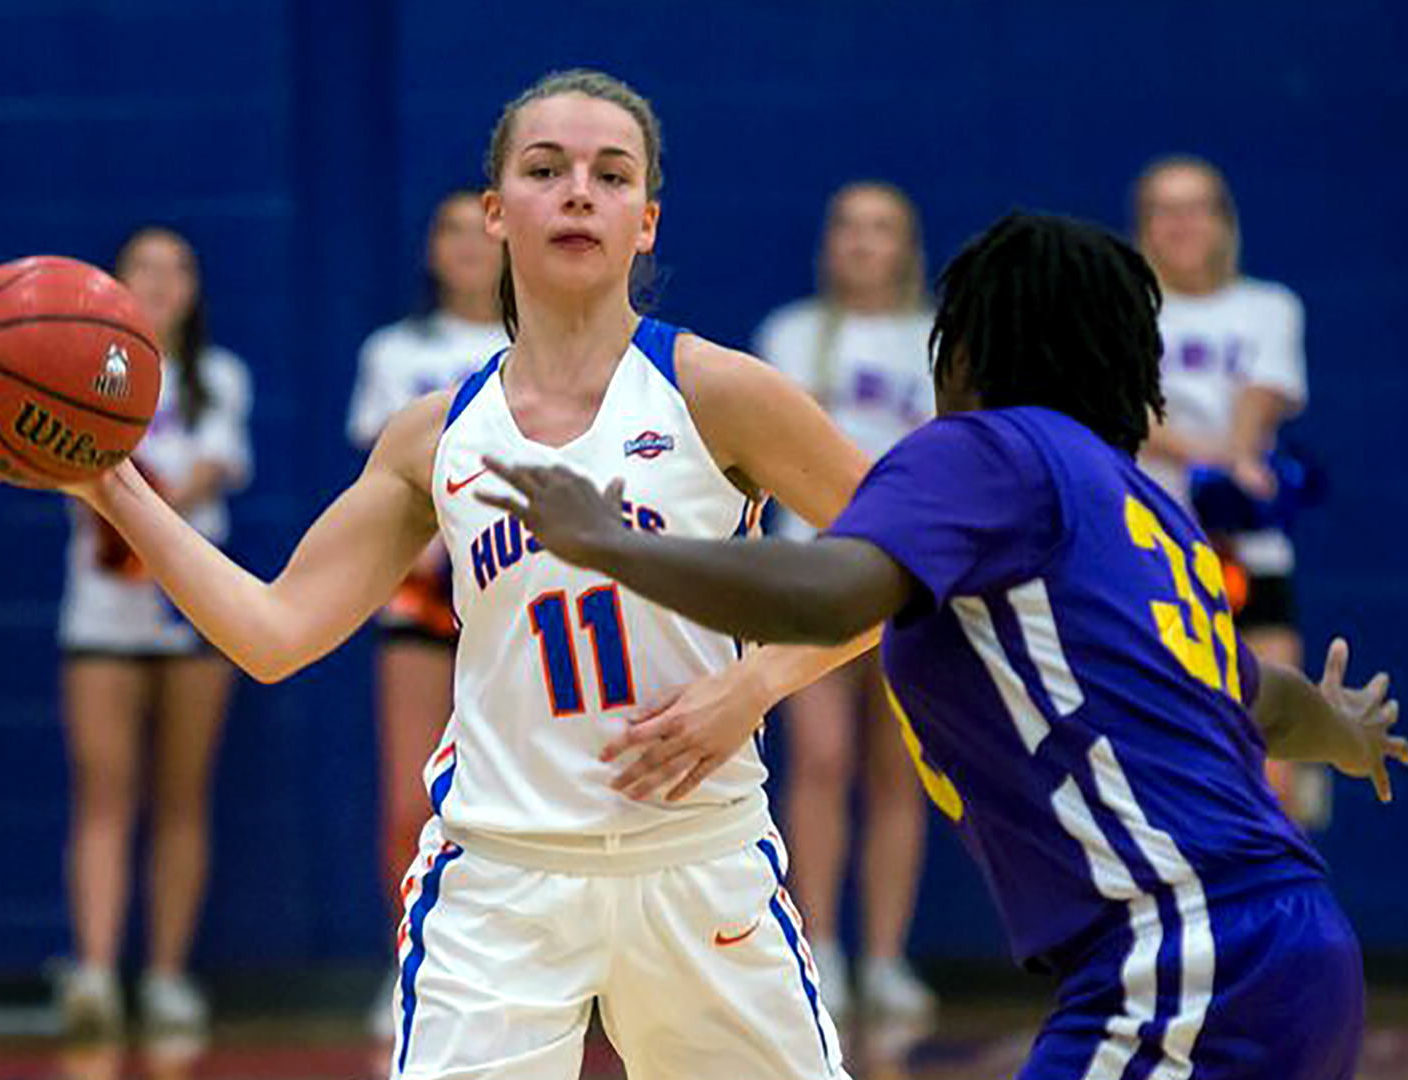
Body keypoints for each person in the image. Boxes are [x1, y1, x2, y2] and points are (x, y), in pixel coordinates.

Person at [65, 70, 881, 1079]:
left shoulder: (717, 393)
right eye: (546, 170)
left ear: (647, 223)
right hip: (503, 881)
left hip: (700, 861)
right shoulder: (434, 435)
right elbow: (273, 634)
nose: (579, 191)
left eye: (610, 174)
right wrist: (113, 484)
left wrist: (752, 686)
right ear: (496, 213)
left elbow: (907, 561)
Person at [481, 211, 1408, 1080]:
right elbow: (1253, 697)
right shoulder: (1142, 511)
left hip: (1186, 951)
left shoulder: (982, 451)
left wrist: (613, 545)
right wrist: (1341, 731)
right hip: (1297, 946)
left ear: (959, 348)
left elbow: (832, 591)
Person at [53, 226, 253, 1040]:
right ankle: (96, 974)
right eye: (146, 266)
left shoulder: (218, 378)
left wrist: (133, 506)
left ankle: (167, 976)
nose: (164, 281)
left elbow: (196, 479)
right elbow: (77, 488)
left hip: (194, 610)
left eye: (181, 268)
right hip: (101, 612)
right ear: (114, 282)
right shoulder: (71, 375)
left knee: (182, 796)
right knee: (103, 796)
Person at [752, 180, 935, 1017]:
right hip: (811, 571)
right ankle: (817, 941)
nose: (864, 242)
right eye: (849, 227)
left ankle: (888, 956)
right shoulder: (789, 336)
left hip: (911, 572)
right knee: (821, 760)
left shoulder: (936, 337)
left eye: (881, 228)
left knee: (898, 768)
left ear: (906, 245)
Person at [345, 189, 507, 1036]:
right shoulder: (394, 352)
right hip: (418, 586)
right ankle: (409, 955)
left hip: (518, 588)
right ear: (432, 251)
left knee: (522, 783)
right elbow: (386, 480)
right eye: (447, 230)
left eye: (477, 231)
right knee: (411, 792)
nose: (467, 247)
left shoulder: (536, 347)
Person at [1131, 156, 1325, 826]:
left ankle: (1285, 919)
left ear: (1222, 222)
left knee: (1274, 744)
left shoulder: (1267, 306)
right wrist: (1218, 460)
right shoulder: (1126, 307)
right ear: (1143, 225)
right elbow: (1130, 409)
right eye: (1163, 208)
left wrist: (1237, 457)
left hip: (1249, 547)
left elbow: (1265, 391)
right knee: (1170, 744)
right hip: (1151, 550)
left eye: (1195, 208)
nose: (1180, 224)